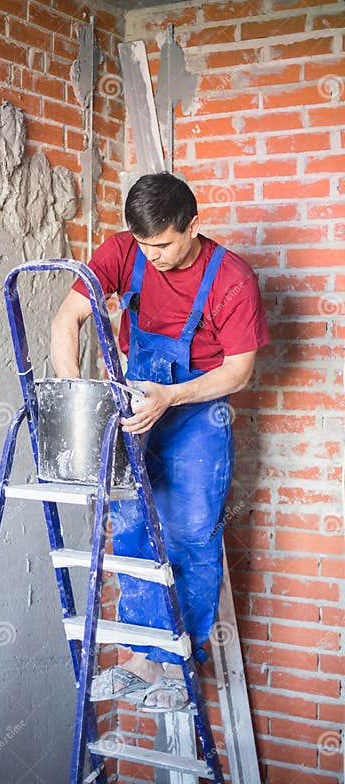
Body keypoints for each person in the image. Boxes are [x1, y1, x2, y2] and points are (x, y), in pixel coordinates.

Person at [50, 172, 269, 711]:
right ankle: (138, 659)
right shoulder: (124, 251)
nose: (153, 256)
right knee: (130, 531)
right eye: (144, 244)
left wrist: (171, 396)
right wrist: (84, 400)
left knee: (190, 536)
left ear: (193, 225)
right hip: (134, 409)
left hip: (198, 417)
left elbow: (239, 372)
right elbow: (66, 320)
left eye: (164, 244)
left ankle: (174, 664)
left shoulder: (232, 279)